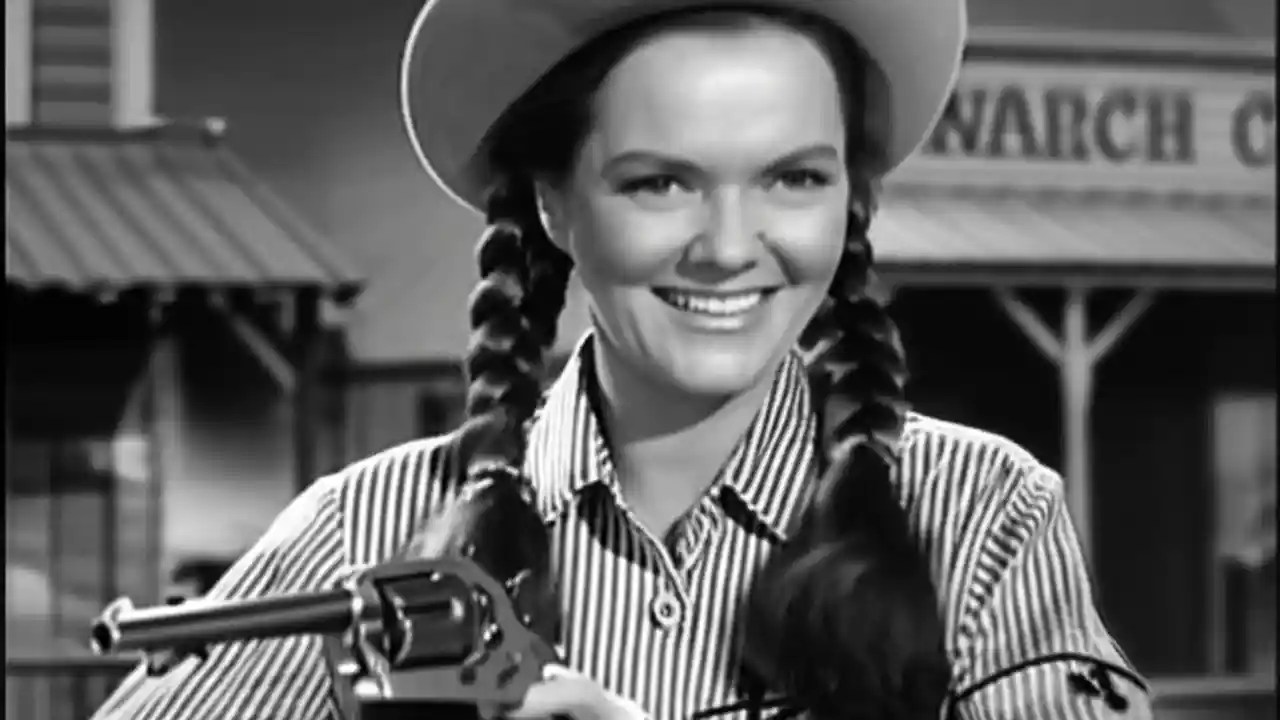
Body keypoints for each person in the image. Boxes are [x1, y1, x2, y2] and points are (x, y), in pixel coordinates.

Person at [92, 0, 1155, 718]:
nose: (732, 245)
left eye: (792, 178)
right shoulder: (360, 530)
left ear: (850, 200)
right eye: (660, 183)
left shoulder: (982, 515)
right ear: (553, 205)